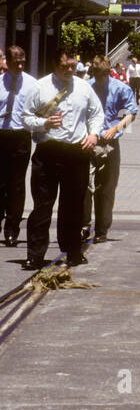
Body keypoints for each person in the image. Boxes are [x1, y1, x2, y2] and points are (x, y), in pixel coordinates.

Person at [22, 48, 103, 268]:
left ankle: (73, 250)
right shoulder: (40, 87)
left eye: (72, 66)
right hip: (48, 151)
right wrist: (44, 124)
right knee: (42, 205)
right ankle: (35, 254)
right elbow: (25, 117)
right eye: (64, 66)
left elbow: (97, 113)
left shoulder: (84, 88)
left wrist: (94, 134)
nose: (69, 70)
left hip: (76, 152)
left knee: (74, 205)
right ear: (54, 65)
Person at [82, 56, 138, 244]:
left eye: (105, 75)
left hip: (110, 142)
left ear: (109, 72)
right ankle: (83, 225)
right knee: (85, 186)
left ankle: (102, 228)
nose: (101, 79)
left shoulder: (120, 88)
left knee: (106, 188)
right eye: (98, 75)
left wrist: (117, 128)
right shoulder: (86, 87)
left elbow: (132, 113)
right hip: (89, 140)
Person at [0, 46, 37, 246]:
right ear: (7, 61)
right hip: (1, 134)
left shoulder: (32, 84)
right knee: (0, 183)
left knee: (16, 184)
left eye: (23, 62)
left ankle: (12, 228)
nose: (20, 65)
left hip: (21, 136)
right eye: (16, 62)